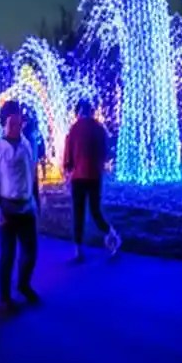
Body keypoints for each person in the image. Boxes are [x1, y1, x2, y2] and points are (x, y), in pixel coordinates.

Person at [0, 101, 40, 310]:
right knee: (8, 254)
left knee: (30, 251)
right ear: (4, 122)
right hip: (6, 208)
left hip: (26, 206)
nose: (16, 125)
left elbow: (32, 174)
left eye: (19, 120)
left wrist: (35, 200)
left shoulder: (26, 144)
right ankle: (4, 297)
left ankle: (23, 284)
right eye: (11, 121)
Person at [63, 100, 121, 261]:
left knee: (78, 213)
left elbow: (69, 153)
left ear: (79, 112)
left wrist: (68, 169)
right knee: (95, 211)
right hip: (94, 176)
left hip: (78, 177)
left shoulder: (74, 128)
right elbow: (105, 151)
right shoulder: (99, 128)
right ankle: (112, 236)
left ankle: (78, 249)